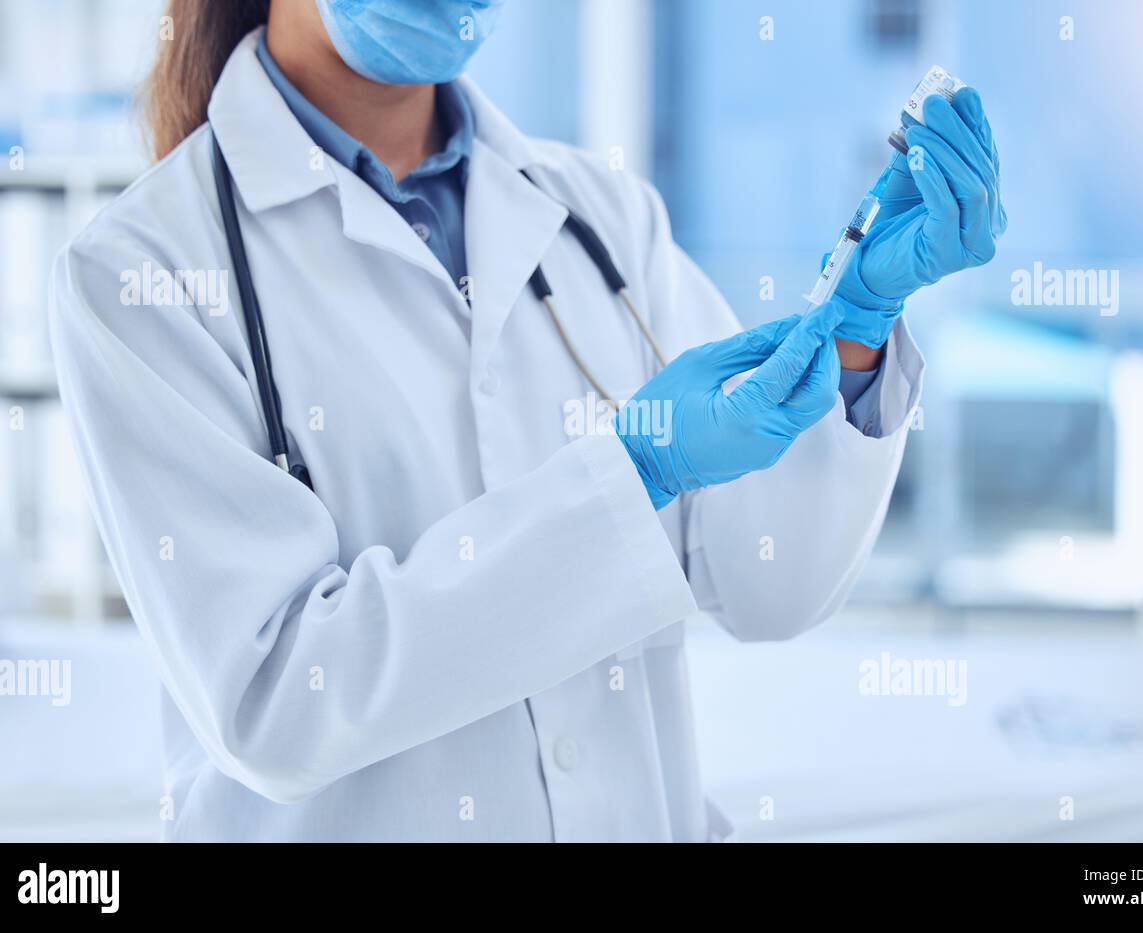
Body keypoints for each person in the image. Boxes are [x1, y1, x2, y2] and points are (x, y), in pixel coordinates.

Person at [49, 0, 1003, 841]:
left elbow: (769, 585)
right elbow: (275, 702)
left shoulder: (603, 215)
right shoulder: (143, 271)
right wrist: (631, 475)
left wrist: (856, 326)